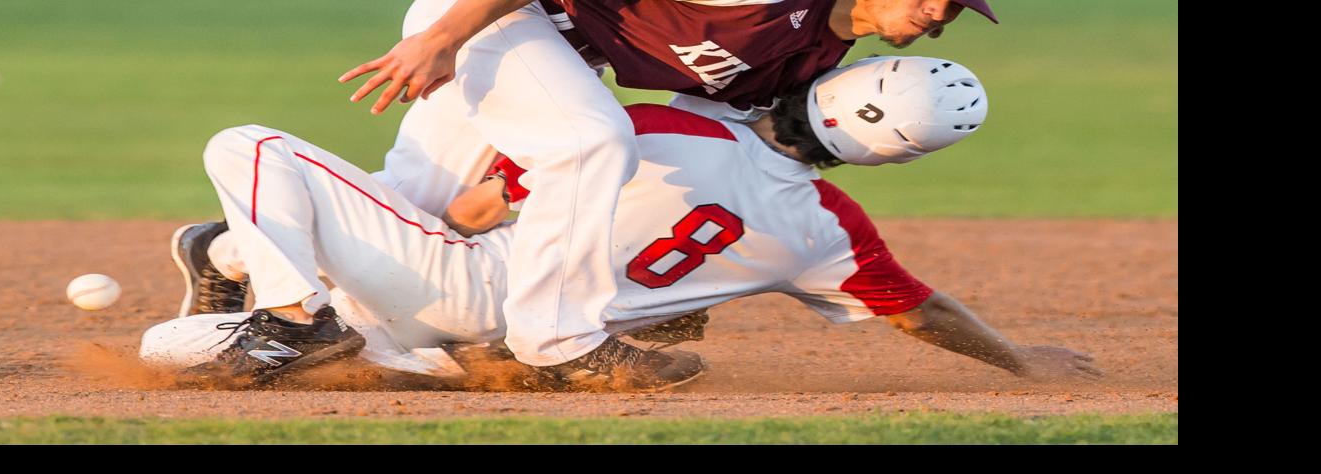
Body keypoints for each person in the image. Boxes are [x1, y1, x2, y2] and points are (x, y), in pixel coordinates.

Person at [151, 56, 1096, 389]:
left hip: (452, 277)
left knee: (250, 146)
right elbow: (921, 313)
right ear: (890, 158)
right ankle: (266, 284)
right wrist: (1019, 361)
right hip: (491, 332)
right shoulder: (832, 232)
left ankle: (285, 303)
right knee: (167, 351)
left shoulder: (665, 126)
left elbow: (475, 210)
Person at [319, 0, 1000, 389]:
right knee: (590, 142)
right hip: (494, 19)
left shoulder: (811, 59)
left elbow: (715, 154)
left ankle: (277, 308)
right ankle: (557, 340)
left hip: (557, 55)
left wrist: (673, 300)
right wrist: (441, 37)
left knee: (412, 203)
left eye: (952, 11)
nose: (938, 13)